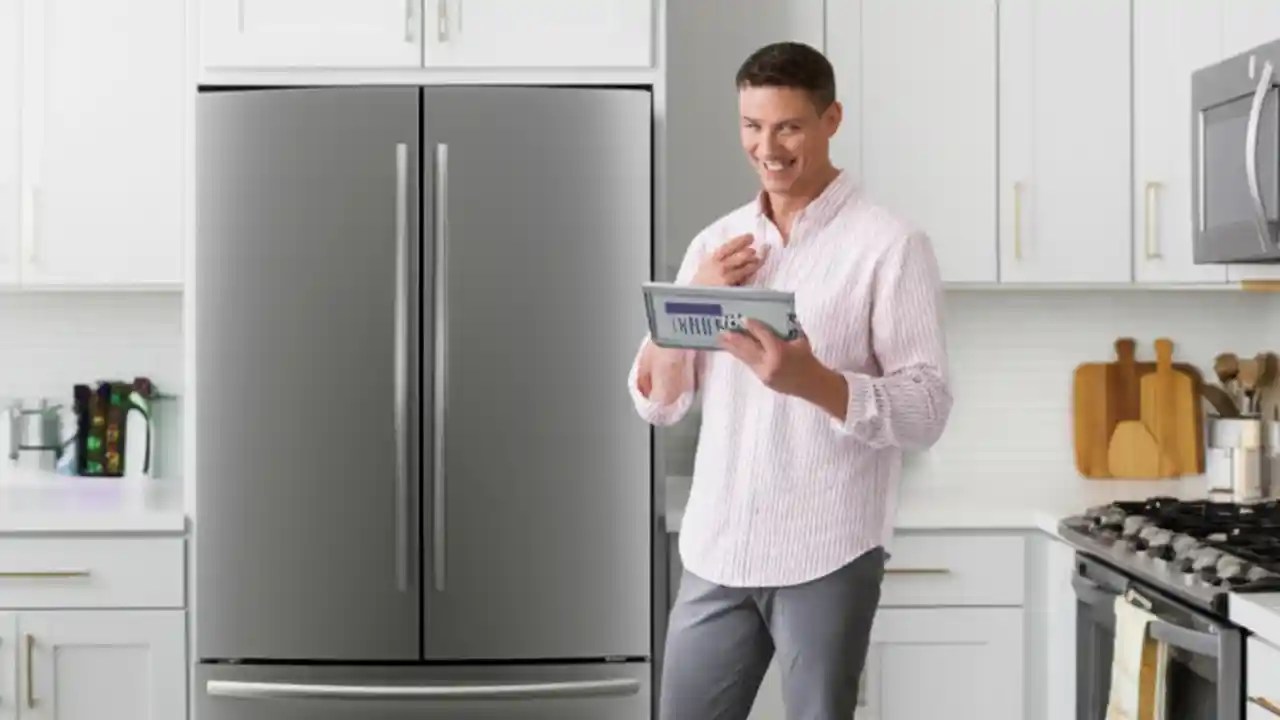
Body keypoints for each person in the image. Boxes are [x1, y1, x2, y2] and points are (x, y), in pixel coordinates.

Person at [626, 41, 953, 719]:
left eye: (788, 127)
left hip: (826, 549)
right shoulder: (715, 245)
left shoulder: (890, 246)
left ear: (831, 119)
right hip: (717, 546)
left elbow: (926, 410)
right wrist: (693, 293)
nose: (767, 148)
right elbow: (658, 401)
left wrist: (813, 382)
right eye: (752, 125)